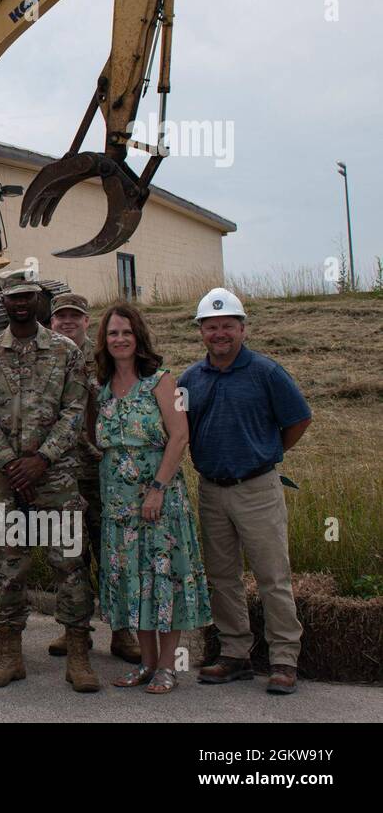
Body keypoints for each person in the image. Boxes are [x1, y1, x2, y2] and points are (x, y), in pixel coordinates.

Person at [0, 270, 98, 692]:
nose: (20, 303)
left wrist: (41, 459)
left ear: (38, 300)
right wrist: (10, 462)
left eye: (27, 296)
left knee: (70, 566)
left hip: (55, 477)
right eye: (13, 297)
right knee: (7, 568)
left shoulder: (65, 352)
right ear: (3, 302)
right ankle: (10, 656)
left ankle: (78, 656)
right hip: (6, 480)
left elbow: (74, 411)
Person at [179, 288, 312, 695]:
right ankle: (234, 654)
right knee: (222, 578)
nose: (219, 333)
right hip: (212, 490)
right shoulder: (189, 380)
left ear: (242, 328)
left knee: (273, 577)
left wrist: (265, 454)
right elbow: (177, 432)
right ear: (201, 331)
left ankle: (284, 660)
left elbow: (299, 420)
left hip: (257, 488)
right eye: (211, 326)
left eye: (227, 326)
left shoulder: (267, 373)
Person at [94, 303, 211, 694]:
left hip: (159, 500)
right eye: (113, 333)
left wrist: (157, 488)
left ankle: (167, 666)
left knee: (164, 578)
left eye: (126, 332)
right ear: (105, 341)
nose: (120, 339)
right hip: (118, 504)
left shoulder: (164, 381)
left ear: (138, 337)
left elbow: (180, 436)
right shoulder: (102, 388)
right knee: (133, 581)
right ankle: (144, 663)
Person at [49, 293, 141, 665]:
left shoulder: (104, 358)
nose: (67, 322)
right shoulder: (47, 357)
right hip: (61, 472)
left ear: (88, 321)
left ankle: (122, 631)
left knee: (112, 551)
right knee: (70, 554)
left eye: (75, 316)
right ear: (52, 322)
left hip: (101, 472)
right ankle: (76, 629)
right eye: (60, 317)